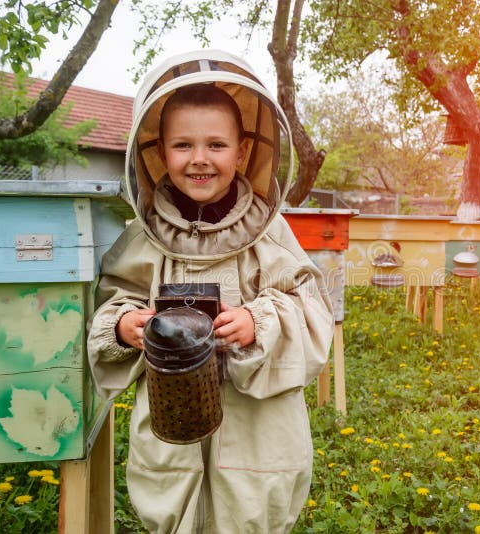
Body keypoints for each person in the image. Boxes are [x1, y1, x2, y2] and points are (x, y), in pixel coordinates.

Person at [86, 50, 334, 533]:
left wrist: (257, 322)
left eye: (216, 145)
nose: (199, 159)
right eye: (183, 145)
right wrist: (123, 325)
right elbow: (113, 299)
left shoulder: (271, 233)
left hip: (259, 441)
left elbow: (311, 311)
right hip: (171, 444)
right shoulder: (142, 237)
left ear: (242, 152)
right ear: (158, 153)